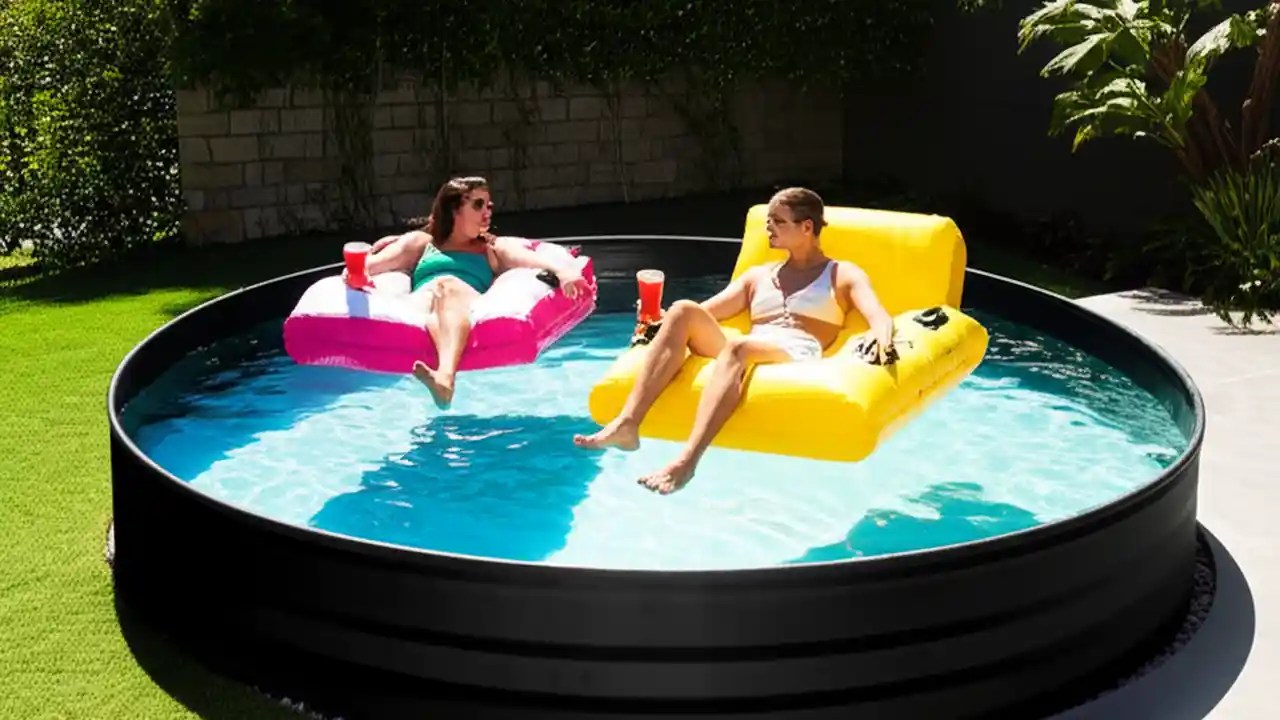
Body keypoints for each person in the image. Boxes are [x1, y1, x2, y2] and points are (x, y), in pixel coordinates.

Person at [573, 187, 896, 494]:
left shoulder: (841, 274)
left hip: (798, 350)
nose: (768, 227)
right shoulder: (758, 276)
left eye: (778, 221)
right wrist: (659, 317)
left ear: (807, 227)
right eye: (767, 220)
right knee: (684, 309)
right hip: (753, 345)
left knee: (738, 346)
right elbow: (704, 312)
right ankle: (628, 423)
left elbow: (878, 315)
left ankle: (687, 461)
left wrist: (884, 342)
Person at [353, 176, 589, 408]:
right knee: (440, 293)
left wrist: (563, 271)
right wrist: (358, 270)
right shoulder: (423, 243)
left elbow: (532, 260)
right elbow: (370, 266)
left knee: (448, 289)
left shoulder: (491, 249)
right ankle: (443, 379)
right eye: (478, 205)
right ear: (455, 210)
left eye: (488, 205)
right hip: (422, 303)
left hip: (462, 299)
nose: (487, 212)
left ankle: (445, 378)